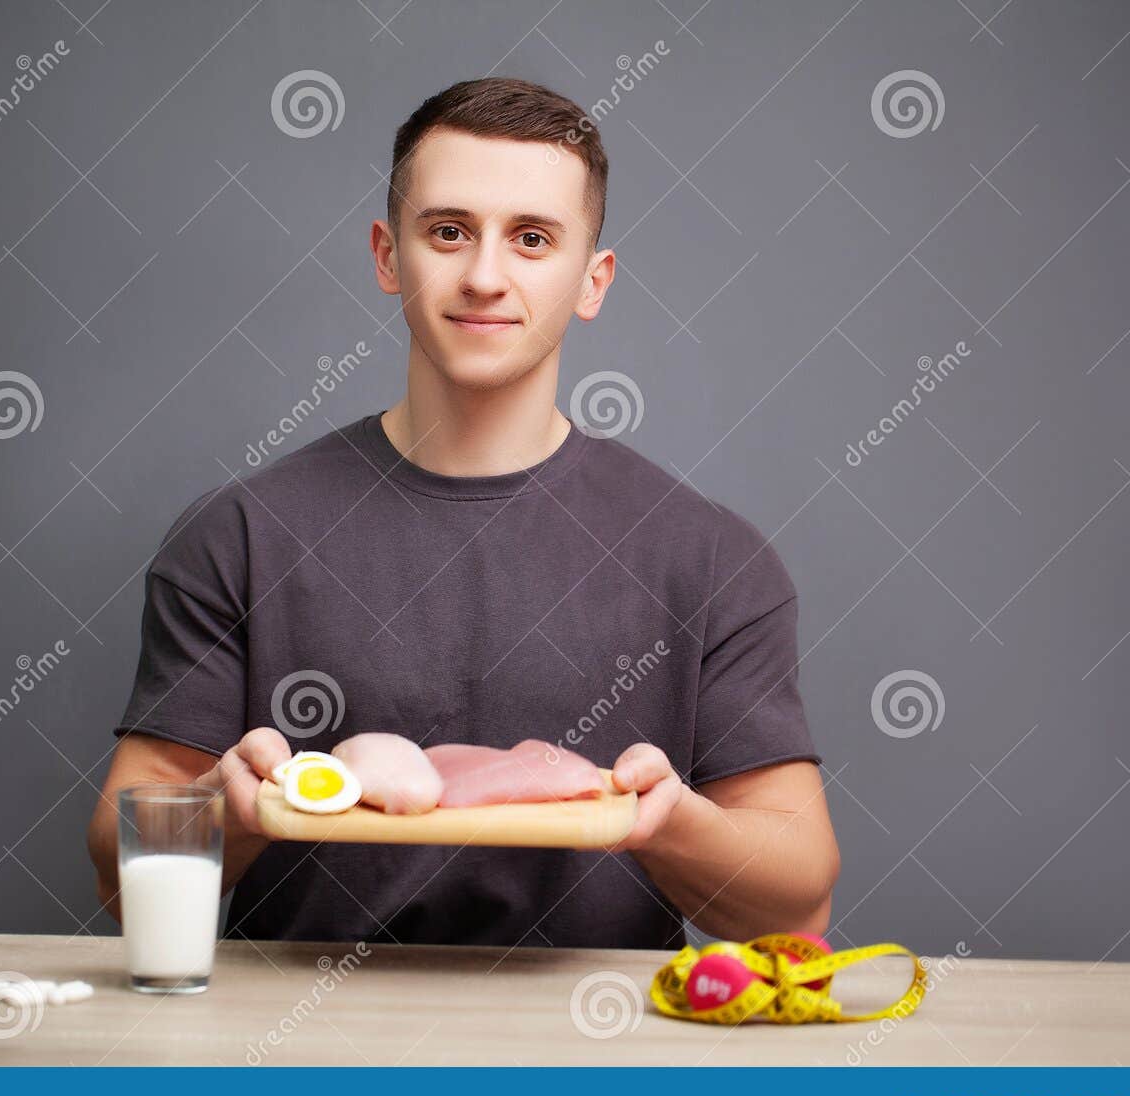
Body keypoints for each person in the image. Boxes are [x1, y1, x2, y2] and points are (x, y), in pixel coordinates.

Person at [86, 77, 839, 950]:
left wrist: (662, 820)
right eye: (448, 231)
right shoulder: (239, 535)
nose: (484, 275)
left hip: (605, 1061)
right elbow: (118, 876)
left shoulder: (711, 558)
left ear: (592, 280)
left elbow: (797, 904)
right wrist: (238, 805)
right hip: (298, 1057)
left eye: (531, 238)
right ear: (386, 255)